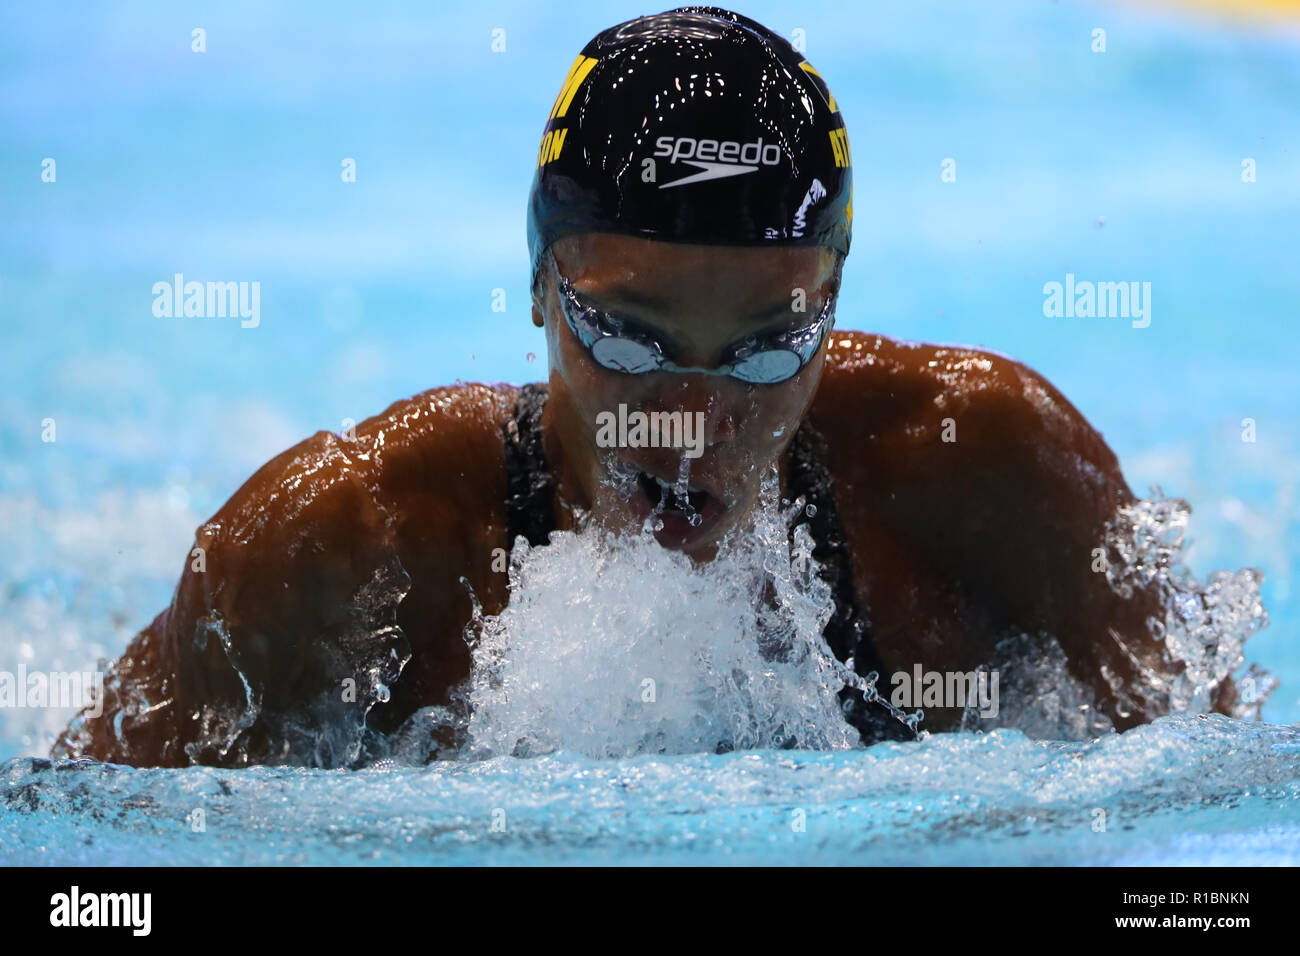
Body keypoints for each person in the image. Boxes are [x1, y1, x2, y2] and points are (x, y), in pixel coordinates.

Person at [54, 6, 1233, 768]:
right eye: (629, 336)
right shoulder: (341, 541)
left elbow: (1214, 798)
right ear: (536, 288)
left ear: (833, 304)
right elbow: (81, 869)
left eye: (769, 347)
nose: (692, 417)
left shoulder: (981, 465)